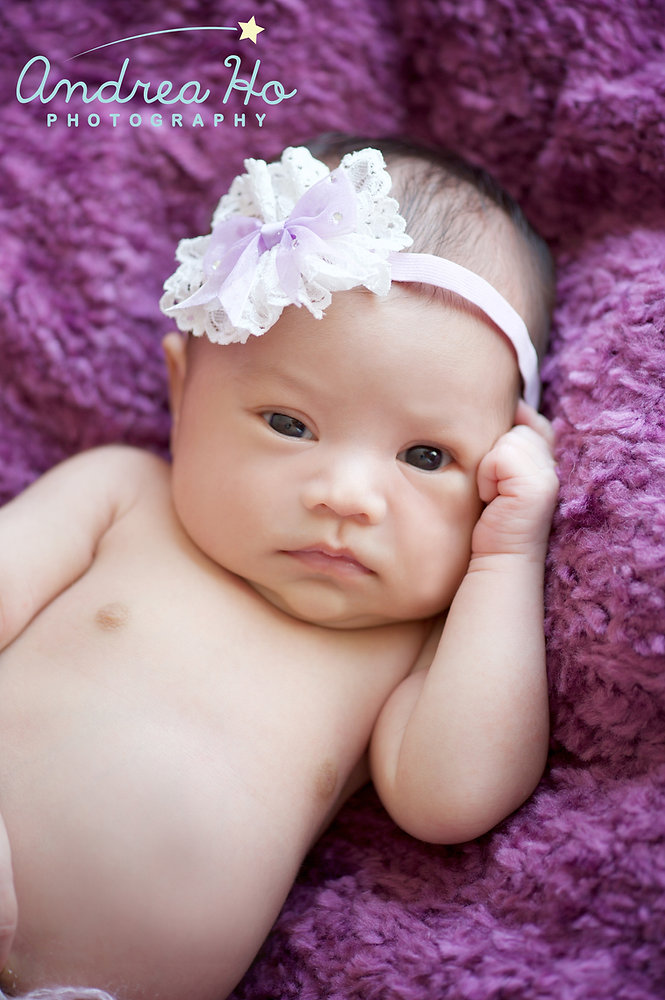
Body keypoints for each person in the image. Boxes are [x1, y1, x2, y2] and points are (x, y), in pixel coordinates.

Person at [0, 135, 558, 1000]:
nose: (346, 495)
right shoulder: (120, 498)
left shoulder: (411, 641)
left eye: (424, 455)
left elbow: (452, 798)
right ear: (183, 388)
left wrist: (509, 556)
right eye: (289, 425)